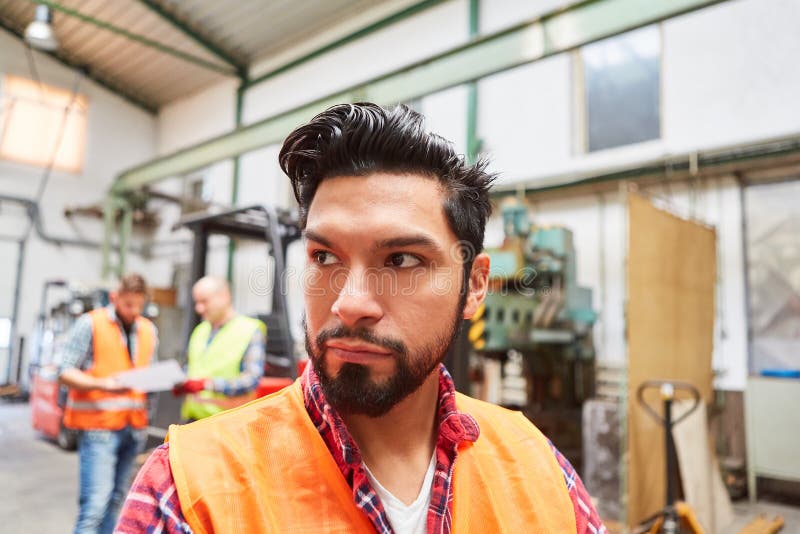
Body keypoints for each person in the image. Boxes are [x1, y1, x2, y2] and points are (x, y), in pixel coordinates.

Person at [117, 103, 605, 533]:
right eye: (324, 257)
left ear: (474, 285)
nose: (349, 303)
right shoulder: (187, 491)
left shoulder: (538, 468)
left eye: (403, 260)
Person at [59, 273, 157, 534]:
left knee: (117, 502)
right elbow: (65, 370)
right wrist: (103, 384)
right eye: (128, 305)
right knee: (95, 505)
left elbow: (147, 373)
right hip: (98, 428)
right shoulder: (90, 324)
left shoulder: (148, 329)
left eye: (139, 305)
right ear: (115, 298)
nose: (134, 311)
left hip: (133, 427)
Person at [172, 275, 266, 421]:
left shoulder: (249, 330)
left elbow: (251, 379)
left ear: (225, 296)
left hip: (226, 424)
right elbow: (195, 369)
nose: (199, 308)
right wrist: (182, 382)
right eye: (196, 302)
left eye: (204, 301)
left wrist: (207, 384)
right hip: (192, 420)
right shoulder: (200, 330)